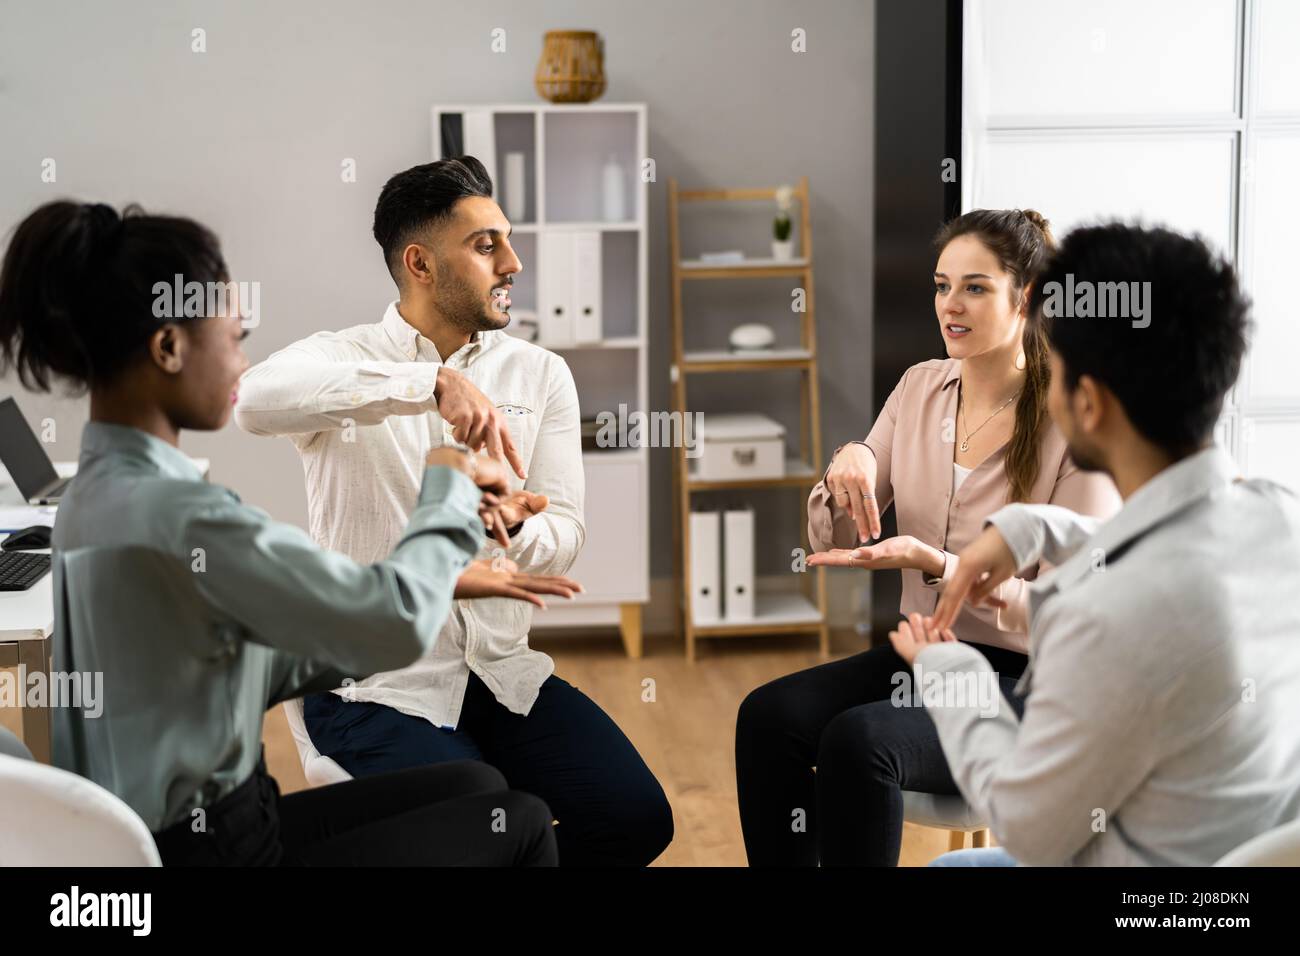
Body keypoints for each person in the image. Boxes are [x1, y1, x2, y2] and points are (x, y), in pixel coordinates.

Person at [0, 199, 573, 866]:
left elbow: (225, 665)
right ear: (169, 347)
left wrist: (435, 583)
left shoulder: (95, 494)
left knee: (475, 786)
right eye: (236, 341)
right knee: (524, 821)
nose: (244, 366)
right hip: (223, 851)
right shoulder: (181, 513)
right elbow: (391, 627)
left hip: (185, 834)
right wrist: (448, 475)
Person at [235, 157, 673, 866]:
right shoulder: (343, 360)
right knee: (493, 823)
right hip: (376, 687)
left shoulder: (539, 374)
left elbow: (564, 535)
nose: (514, 262)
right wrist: (427, 384)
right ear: (420, 263)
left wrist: (516, 524)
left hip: (499, 672)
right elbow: (254, 400)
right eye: (485, 245)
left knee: (635, 816)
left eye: (506, 240)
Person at [899, 222, 1300, 866]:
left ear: (1087, 404)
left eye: (1053, 371)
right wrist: (1036, 526)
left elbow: (1028, 829)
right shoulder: (1278, 518)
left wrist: (952, 674)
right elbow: (1175, 540)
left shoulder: (1104, 620)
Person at [734, 209, 1121, 866]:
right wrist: (847, 459)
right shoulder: (920, 388)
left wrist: (938, 563)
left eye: (975, 287)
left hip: (1031, 682)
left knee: (860, 742)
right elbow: (834, 531)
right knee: (768, 717)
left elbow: (1072, 611)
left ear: (1026, 296)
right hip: (924, 658)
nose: (950, 305)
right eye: (942, 286)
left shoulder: (1076, 420)